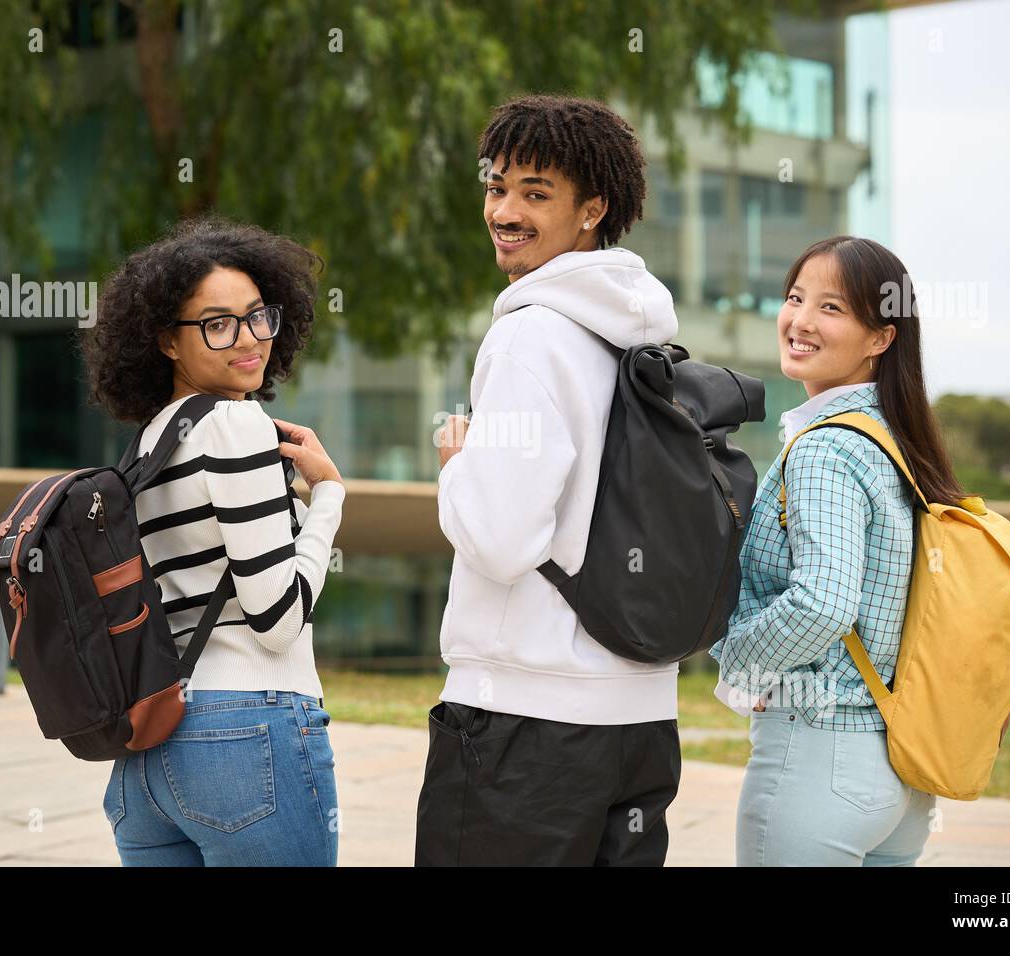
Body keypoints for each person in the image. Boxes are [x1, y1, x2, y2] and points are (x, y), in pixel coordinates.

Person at [414, 95, 682, 866]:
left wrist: (458, 470)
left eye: (536, 193)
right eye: (498, 187)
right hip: (640, 726)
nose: (505, 210)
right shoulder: (644, 342)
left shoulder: (531, 334)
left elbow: (501, 542)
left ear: (592, 209)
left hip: (525, 728)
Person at [80, 216, 346, 866]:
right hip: (246, 736)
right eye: (217, 324)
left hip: (150, 760)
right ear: (168, 341)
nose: (249, 340)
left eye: (259, 316)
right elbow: (278, 621)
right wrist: (331, 497)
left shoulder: (148, 444)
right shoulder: (236, 424)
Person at [710, 235, 966, 866]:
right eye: (795, 297)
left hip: (816, 759)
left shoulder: (829, 449)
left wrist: (738, 667)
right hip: (897, 771)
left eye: (831, 308)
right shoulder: (898, 445)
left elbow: (823, 603)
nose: (799, 320)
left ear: (882, 337)